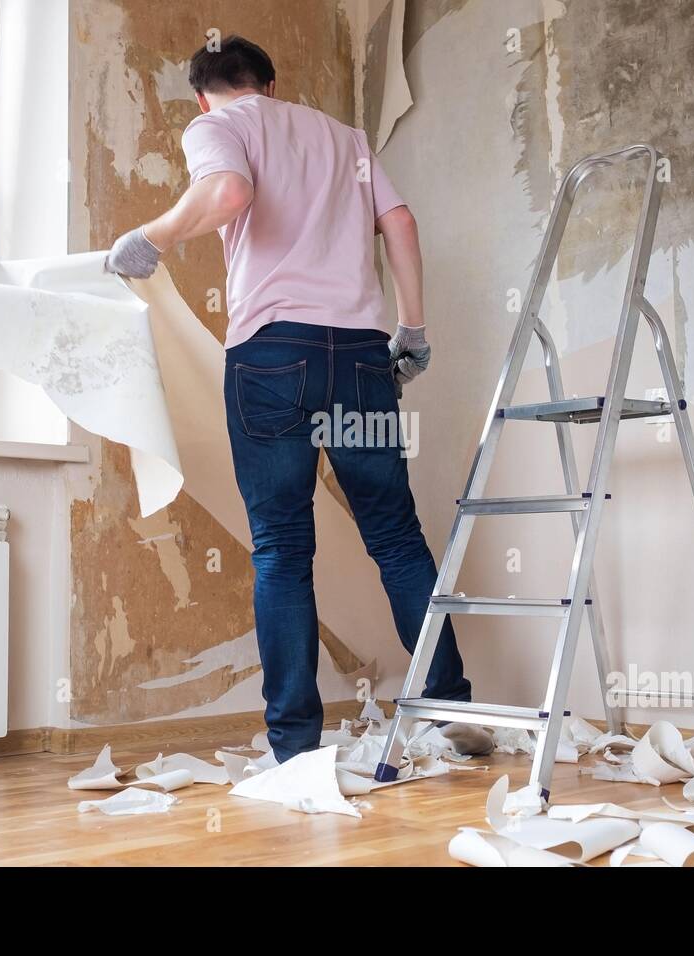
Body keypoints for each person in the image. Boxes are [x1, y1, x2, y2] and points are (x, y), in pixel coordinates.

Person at [104, 35, 491, 763]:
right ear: (272, 85)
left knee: (283, 549)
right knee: (398, 538)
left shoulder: (214, 127)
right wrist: (411, 328)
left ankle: (296, 747)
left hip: (273, 358)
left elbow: (228, 193)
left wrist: (150, 236)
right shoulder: (343, 136)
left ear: (201, 94)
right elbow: (400, 223)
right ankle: (447, 707)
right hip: (359, 360)